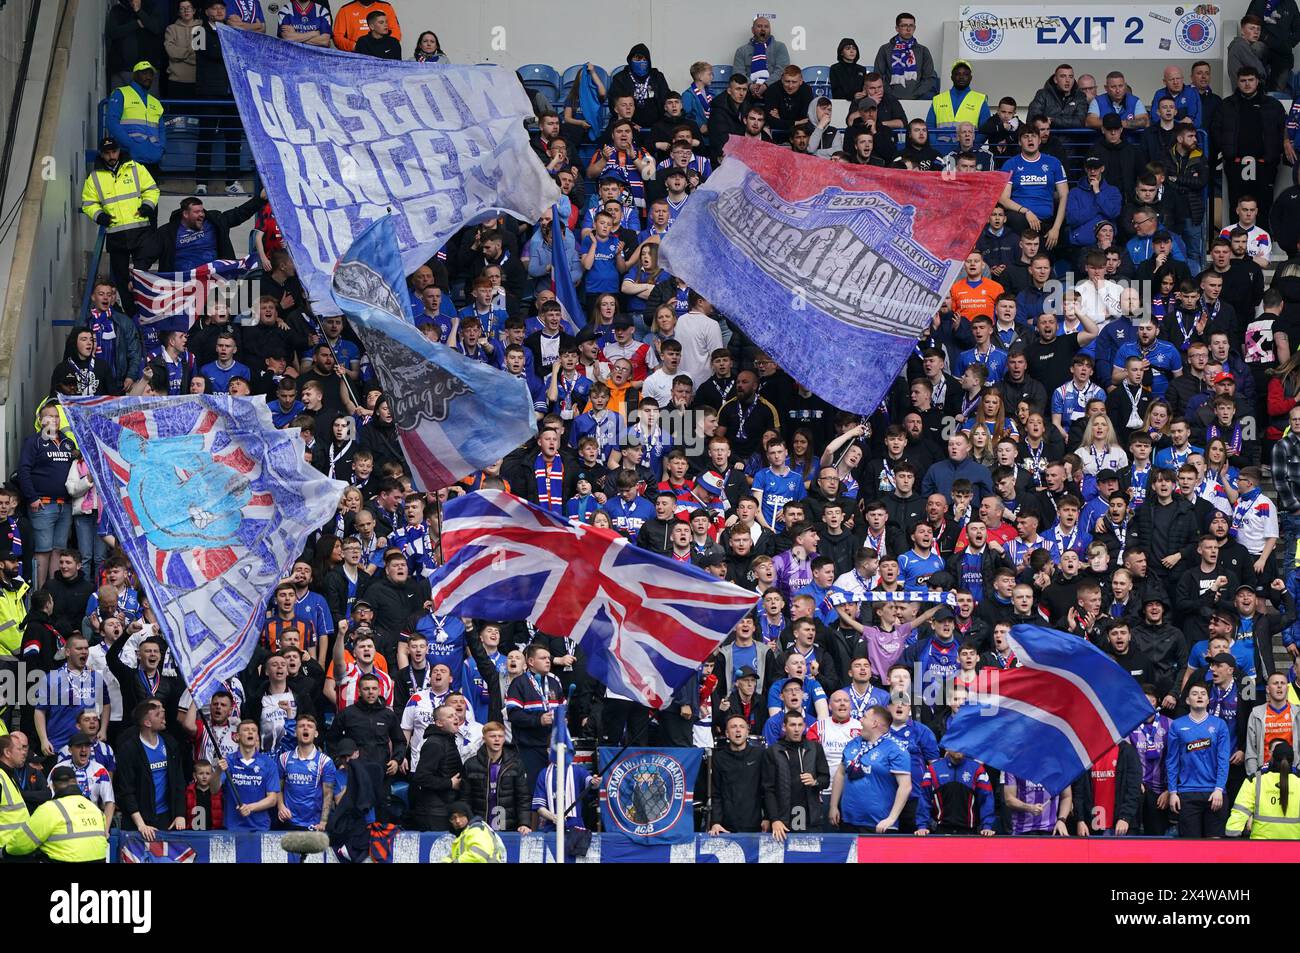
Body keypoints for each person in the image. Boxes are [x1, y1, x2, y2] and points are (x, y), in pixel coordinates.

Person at [80, 136, 158, 319]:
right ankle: (133, 316)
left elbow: (152, 189)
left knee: (141, 275)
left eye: (113, 151)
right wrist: (100, 216)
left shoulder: (135, 168)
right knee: (121, 280)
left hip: (140, 230)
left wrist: (147, 205)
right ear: (102, 154)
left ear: (119, 151)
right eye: (107, 153)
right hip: (115, 234)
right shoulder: (94, 177)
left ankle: (146, 312)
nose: (111, 156)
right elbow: (88, 203)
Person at [829, 704, 911, 833]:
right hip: (848, 821)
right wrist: (833, 806)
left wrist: (891, 819)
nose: (860, 720)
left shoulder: (895, 749)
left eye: (865, 717)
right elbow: (840, 773)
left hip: (878, 824)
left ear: (874, 723)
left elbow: (905, 786)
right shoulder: (853, 743)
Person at [114, 699, 186, 842]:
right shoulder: (129, 749)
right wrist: (141, 825)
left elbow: (178, 781)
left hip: (166, 817)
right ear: (147, 723)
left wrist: (180, 814)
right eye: (158, 714)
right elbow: (126, 790)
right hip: (139, 821)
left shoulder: (170, 743)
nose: (163, 714)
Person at [1166, 683, 1231, 837]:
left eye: (1203, 693)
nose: (1200, 696)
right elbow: (1172, 761)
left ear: (1209, 700)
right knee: (1190, 847)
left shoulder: (1220, 725)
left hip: (1214, 793)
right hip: (1187, 793)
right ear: (1187, 700)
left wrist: (1219, 789)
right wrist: (1173, 792)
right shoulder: (1177, 725)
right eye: (1195, 693)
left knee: (1215, 845)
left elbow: (1223, 759)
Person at [761, 710, 828, 842]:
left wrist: (815, 782)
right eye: (792, 725)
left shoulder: (815, 748)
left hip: (810, 817)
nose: (797, 729)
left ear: (804, 727)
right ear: (784, 727)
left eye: (799, 725)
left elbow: (825, 780)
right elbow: (768, 789)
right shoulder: (773, 751)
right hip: (783, 818)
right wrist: (774, 819)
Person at [23, 765, 108, 863]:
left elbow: (23, 843)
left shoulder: (49, 809)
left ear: (53, 787)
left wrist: (5, 850)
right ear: (76, 783)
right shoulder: (94, 808)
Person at [211, 719, 280, 832]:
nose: (250, 732)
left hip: (260, 828)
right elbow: (213, 789)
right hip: (233, 827)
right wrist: (218, 770)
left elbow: (272, 799)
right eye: (246, 730)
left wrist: (250, 807)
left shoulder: (268, 763)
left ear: (257, 737)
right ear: (237, 737)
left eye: (253, 730)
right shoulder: (228, 760)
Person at [1227, 742, 1300, 838]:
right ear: (1293, 761)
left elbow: (1240, 811)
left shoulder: (1256, 780)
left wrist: (1232, 837)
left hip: (1260, 847)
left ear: (1271, 759)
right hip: (1295, 847)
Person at [441, 801, 507, 862]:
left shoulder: (476, 830)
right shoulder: (463, 834)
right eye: (453, 818)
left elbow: (478, 855)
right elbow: (454, 856)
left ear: (467, 815)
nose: (457, 821)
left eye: (461, 816)